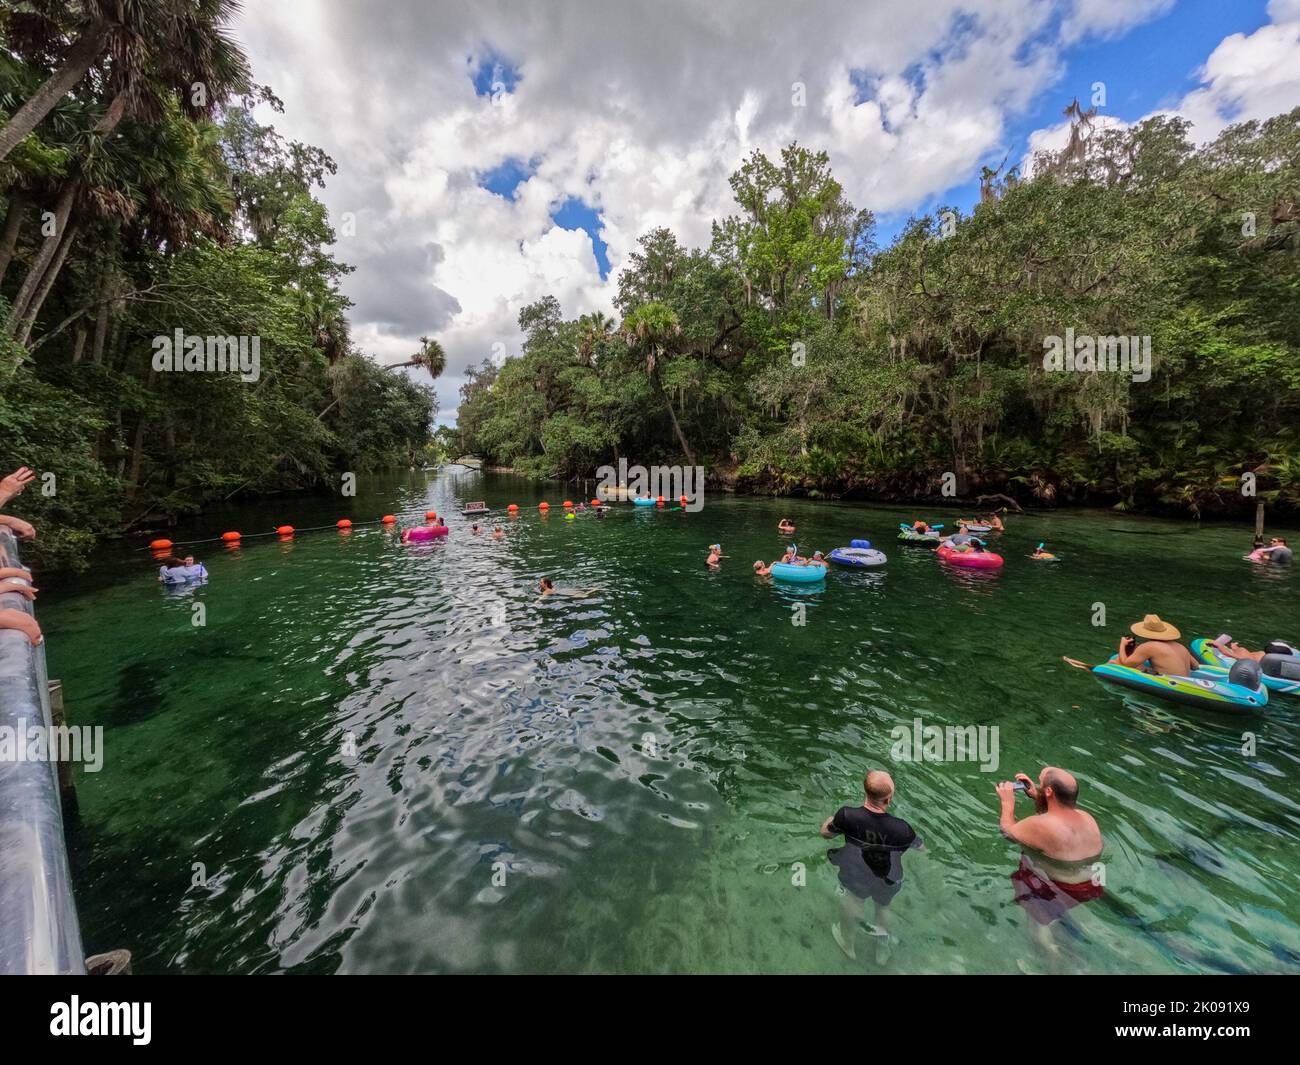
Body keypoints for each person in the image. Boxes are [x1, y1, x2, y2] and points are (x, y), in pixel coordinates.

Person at [821, 770, 921, 963]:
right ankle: (882, 950)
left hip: (857, 874)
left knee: (854, 901)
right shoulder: (902, 827)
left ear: (866, 792)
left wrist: (828, 821)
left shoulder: (847, 815)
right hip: (889, 878)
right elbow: (921, 847)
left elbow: (826, 834)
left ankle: (848, 944)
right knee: (883, 908)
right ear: (889, 799)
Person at [995, 767, 1104, 936]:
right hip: (1093, 884)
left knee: (1039, 924)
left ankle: (1051, 954)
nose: (1038, 785)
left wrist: (1007, 803)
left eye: (1040, 783)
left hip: (1062, 889)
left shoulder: (1041, 825)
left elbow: (1008, 832)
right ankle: (1061, 919)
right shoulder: (1088, 818)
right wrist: (1038, 796)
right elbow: (1051, 826)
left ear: (1049, 791)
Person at [1115, 614, 1198, 676]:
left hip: (1170, 684)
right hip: (1186, 681)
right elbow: (1195, 666)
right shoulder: (1180, 646)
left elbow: (1126, 665)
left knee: (1114, 661)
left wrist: (1122, 645)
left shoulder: (1148, 646)